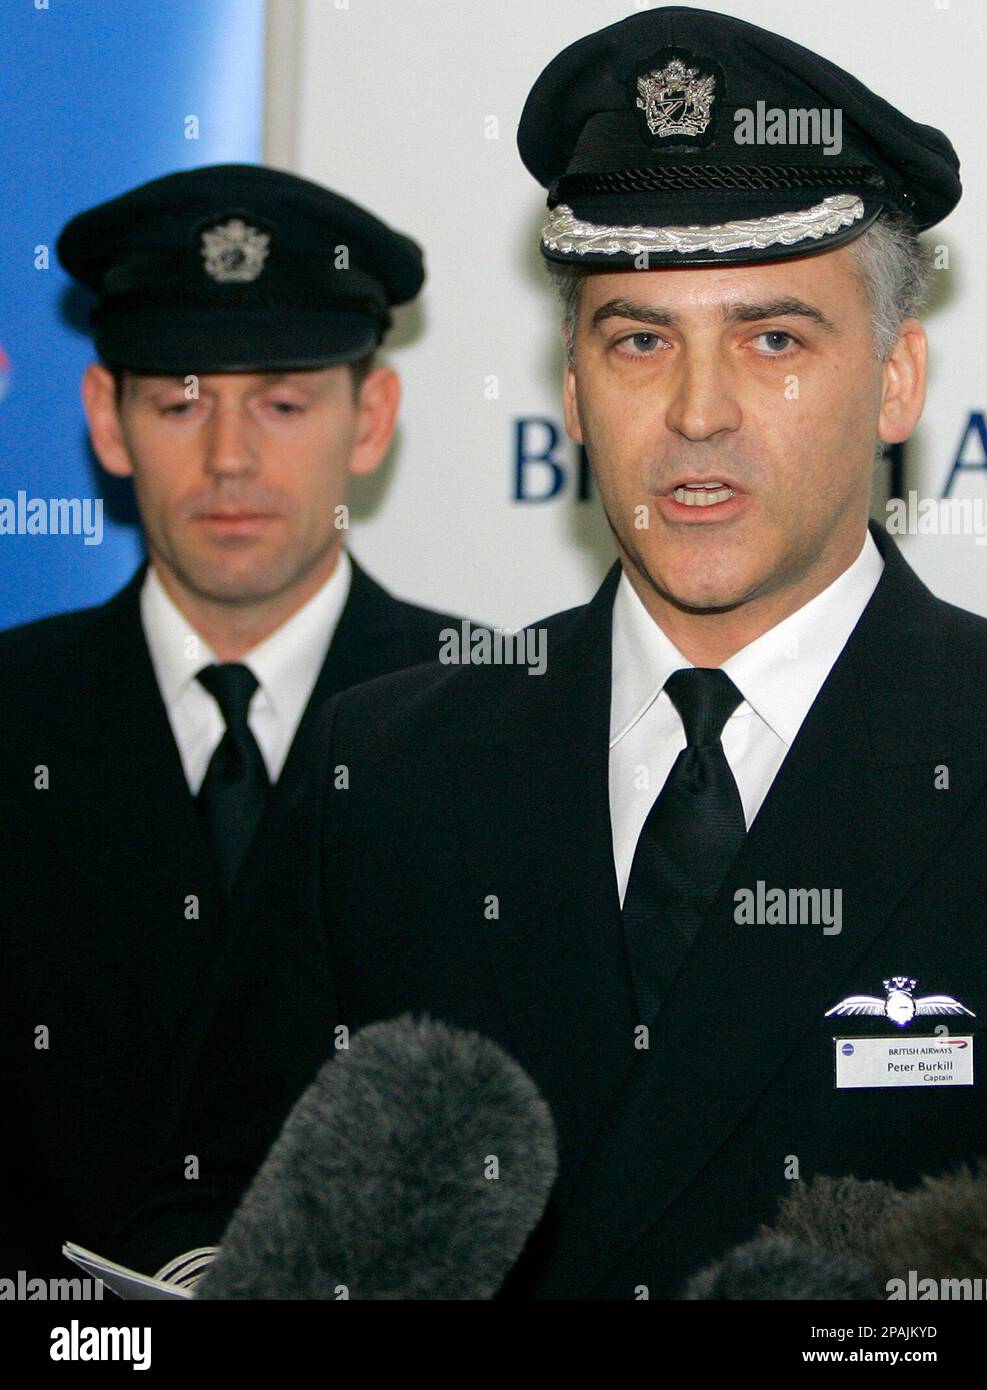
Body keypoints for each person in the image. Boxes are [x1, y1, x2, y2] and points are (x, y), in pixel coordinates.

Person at [120, 10, 986, 1298]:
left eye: (774, 339)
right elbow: (218, 1196)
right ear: (574, 391)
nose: (698, 413)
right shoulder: (389, 767)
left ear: (899, 380)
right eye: (640, 341)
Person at [0, 163, 472, 1278]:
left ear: (374, 419)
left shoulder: (489, 718)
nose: (228, 458)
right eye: (178, 399)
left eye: (283, 400)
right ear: (106, 421)